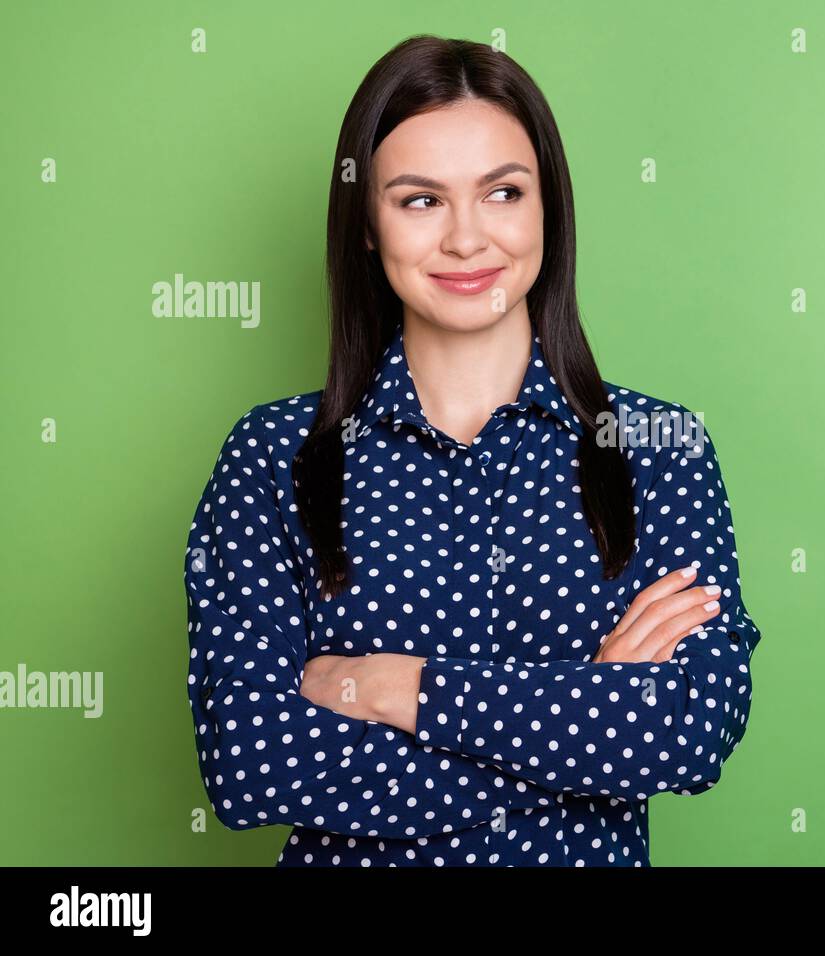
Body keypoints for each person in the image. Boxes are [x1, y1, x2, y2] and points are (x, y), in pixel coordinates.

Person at [183, 34, 761, 867]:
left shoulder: (657, 451)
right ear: (367, 229)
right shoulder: (273, 456)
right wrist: (590, 712)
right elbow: (248, 765)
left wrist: (392, 686)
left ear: (547, 209)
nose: (466, 239)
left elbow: (686, 732)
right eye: (420, 200)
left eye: (502, 193)